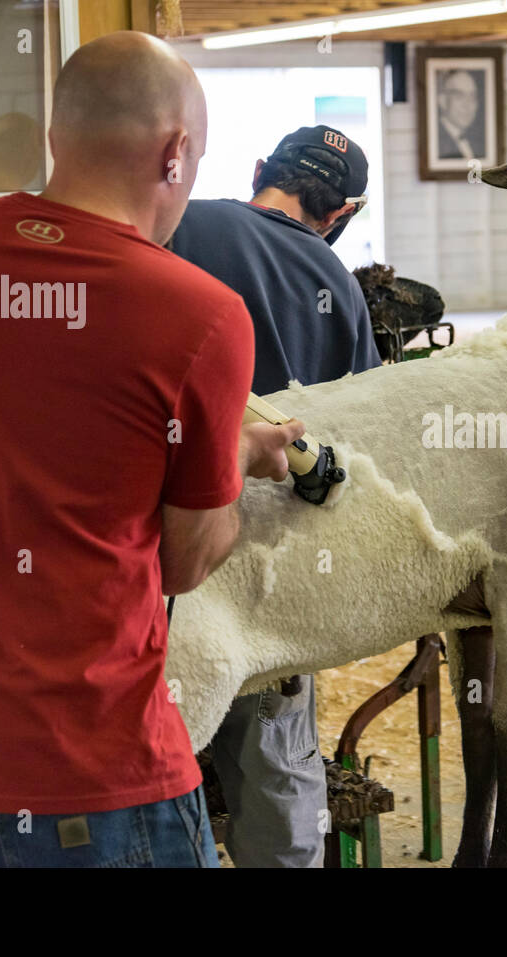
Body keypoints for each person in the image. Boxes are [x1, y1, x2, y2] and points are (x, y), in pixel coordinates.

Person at [0, 31, 302, 867]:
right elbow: (185, 561)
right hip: (89, 780)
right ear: (176, 154)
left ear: (59, 136)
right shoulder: (201, 315)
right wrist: (233, 456)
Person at [168, 124, 379, 867]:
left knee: (161, 758)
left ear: (262, 169)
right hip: (274, 567)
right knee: (278, 762)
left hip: (173, 546)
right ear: (342, 212)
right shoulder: (342, 288)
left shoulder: (185, 222)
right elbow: (360, 434)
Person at [435, 69, 484, 161]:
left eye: (472, 97)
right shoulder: (436, 141)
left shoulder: (477, 141)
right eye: (459, 96)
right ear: (443, 100)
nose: (467, 105)